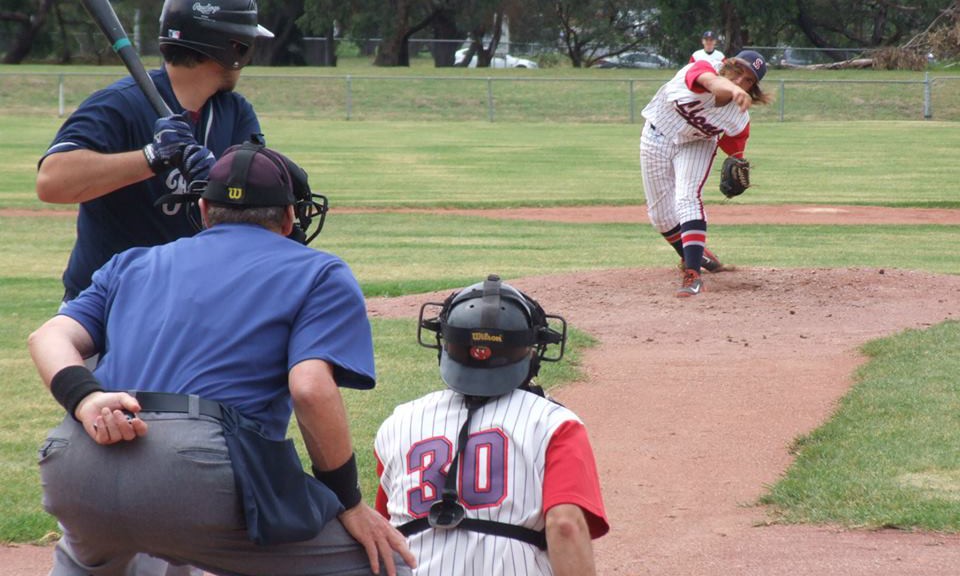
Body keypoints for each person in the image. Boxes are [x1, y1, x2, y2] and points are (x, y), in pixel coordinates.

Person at [28, 143, 415, 576]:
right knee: (385, 564)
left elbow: (49, 335)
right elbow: (310, 388)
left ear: (204, 211)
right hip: (197, 471)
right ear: (288, 218)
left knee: (91, 560)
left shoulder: (131, 263)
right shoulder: (318, 271)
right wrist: (348, 500)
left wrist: (85, 399)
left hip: (79, 461)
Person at [36, 0, 273, 303]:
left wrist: (220, 182)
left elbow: (258, 202)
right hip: (106, 307)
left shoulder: (234, 112)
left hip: (194, 301)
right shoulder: (119, 104)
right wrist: (152, 157)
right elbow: (51, 181)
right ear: (231, 49)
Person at [374, 275, 609, 575]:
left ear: (446, 347)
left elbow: (383, 530)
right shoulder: (556, 425)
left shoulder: (399, 423)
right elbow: (566, 526)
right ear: (532, 351)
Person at [640, 50, 773, 297]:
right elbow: (709, 81)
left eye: (748, 81)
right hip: (657, 134)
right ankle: (694, 252)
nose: (740, 82)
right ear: (727, 65)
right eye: (738, 72)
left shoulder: (738, 117)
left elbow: (736, 151)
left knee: (687, 198)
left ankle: (692, 274)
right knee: (660, 216)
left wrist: (738, 165)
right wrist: (733, 90)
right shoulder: (703, 66)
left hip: (698, 144)